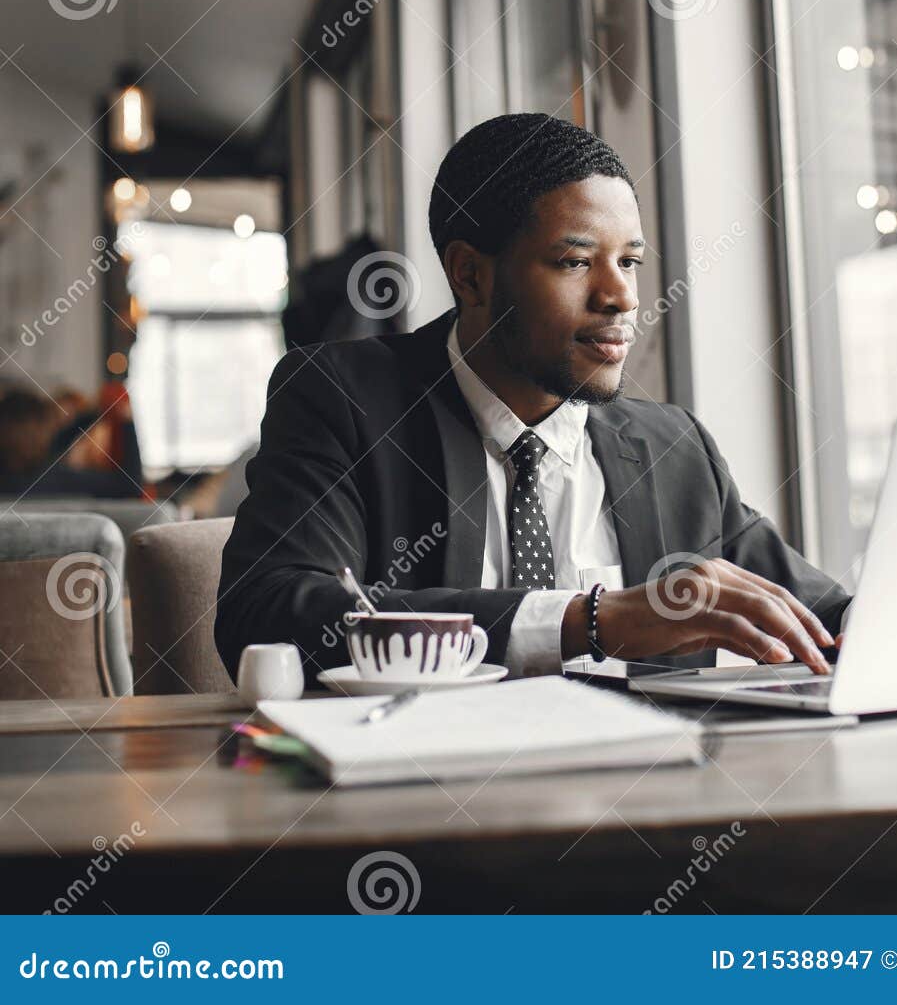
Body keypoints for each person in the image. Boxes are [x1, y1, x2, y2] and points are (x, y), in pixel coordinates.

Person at [216, 114, 850, 684]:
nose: (621, 297)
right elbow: (267, 612)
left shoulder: (674, 448)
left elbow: (826, 620)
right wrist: (589, 622)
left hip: (650, 802)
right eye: (576, 263)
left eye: (629, 262)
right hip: (425, 795)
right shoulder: (346, 400)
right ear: (470, 274)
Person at [0, 389, 141, 500]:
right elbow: (129, 486)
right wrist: (127, 422)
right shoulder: (59, 481)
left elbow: (58, 442)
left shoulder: (16, 481)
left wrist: (94, 413)